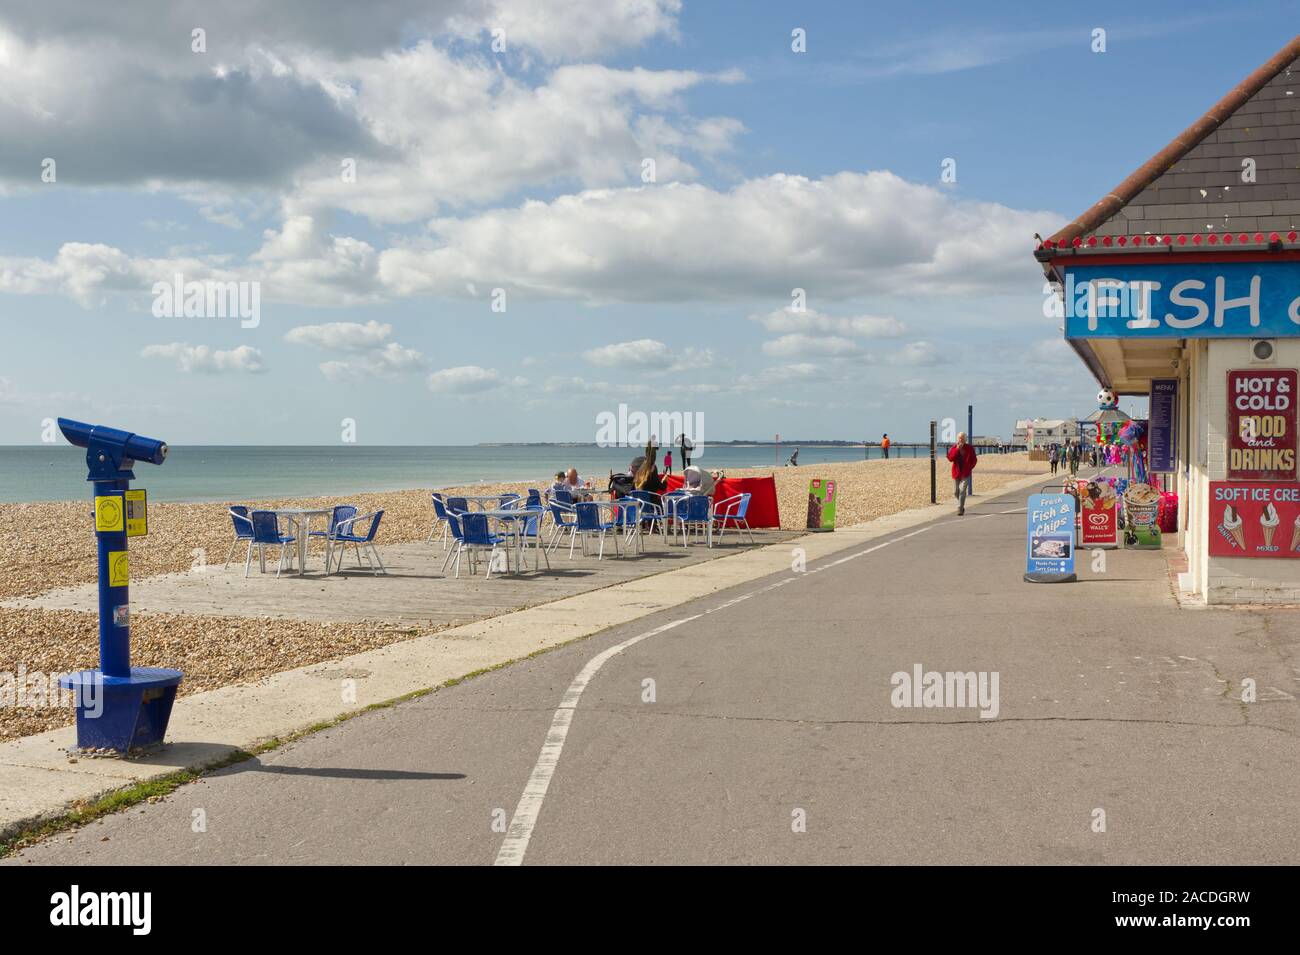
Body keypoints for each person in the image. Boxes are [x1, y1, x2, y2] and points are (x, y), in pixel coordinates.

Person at [947, 432, 978, 516]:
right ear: (957, 439)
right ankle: (961, 505)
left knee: (962, 490)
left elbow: (974, 459)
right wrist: (957, 449)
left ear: (965, 439)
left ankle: (960, 508)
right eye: (959, 438)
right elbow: (950, 458)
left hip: (966, 473)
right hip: (956, 473)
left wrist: (970, 467)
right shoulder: (954, 447)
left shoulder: (969, 448)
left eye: (962, 438)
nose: (961, 439)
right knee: (955, 492)